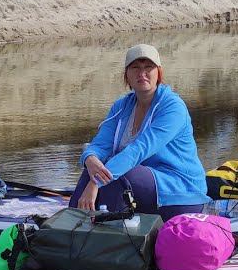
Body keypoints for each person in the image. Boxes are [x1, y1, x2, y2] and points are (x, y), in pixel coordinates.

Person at [69, 44, 210, 220]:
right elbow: (100, 144)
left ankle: (108, 238)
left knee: (119, 176)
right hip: (141, 188)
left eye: (148, 67)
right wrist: (89, 159)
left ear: (159, 72)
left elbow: (139, 149)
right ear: (126, 75)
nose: (141, 73)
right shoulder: (121, 106)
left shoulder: (173, 107)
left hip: (181, 192)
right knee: (95, 168)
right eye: (135, 67)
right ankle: (70, 228)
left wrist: (96, 182)